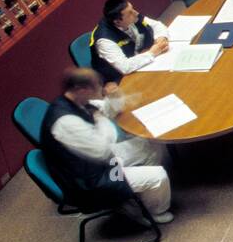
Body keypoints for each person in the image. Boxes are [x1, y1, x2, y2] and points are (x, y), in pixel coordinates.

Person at [40, 67, 173, 223]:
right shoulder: (66, 122)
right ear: (82, 89)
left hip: (98, 163)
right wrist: (100, 118)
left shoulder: (76, 101)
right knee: (158, 176)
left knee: (150, 144)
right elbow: (102, 150)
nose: (100, 90)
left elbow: (109, 109)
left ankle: (136, 196)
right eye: (96, 87)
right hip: (92, 181)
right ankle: (148, 212)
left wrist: (115, 96)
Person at [90, 0, 170, 86]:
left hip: (138, 60)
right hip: (118, 79)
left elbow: (157, 25)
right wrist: (152, 52)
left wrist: (160, 38)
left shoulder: (132, 16)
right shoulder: (104, 40)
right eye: (130, 13)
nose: (136, 13)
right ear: (117, 22)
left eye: (132, 9)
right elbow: (125, 67)